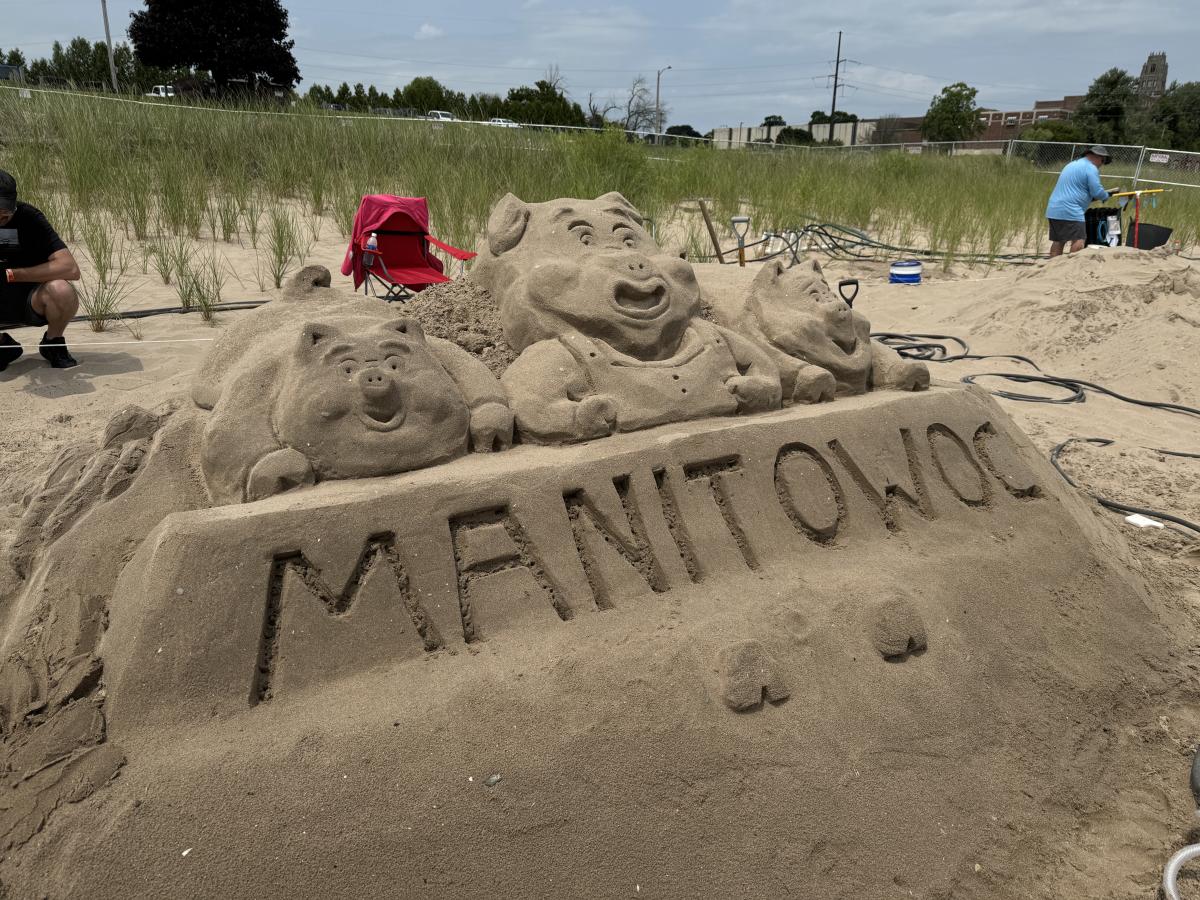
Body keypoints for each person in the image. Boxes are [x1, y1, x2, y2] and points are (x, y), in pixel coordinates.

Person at [0, 169, 81, 371]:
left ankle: (53, 342)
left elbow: (70, 268)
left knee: (62, 290)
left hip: (31, 299)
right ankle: (3, 346)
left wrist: (13, 274)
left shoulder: (30, 217)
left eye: (4, 216)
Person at [1045, 145, 1120, 258]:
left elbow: (1078, 189)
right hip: (1071, 210)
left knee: (1059, 240)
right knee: (1079, 240)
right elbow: (1097, 191)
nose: (1102, 164)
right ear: (1097, 157)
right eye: (1103, 161)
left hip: (1054, 208)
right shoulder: (1091, 168)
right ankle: (1072, 266)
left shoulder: (1071, 164)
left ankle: (1052, 266)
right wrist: (1106, 195)